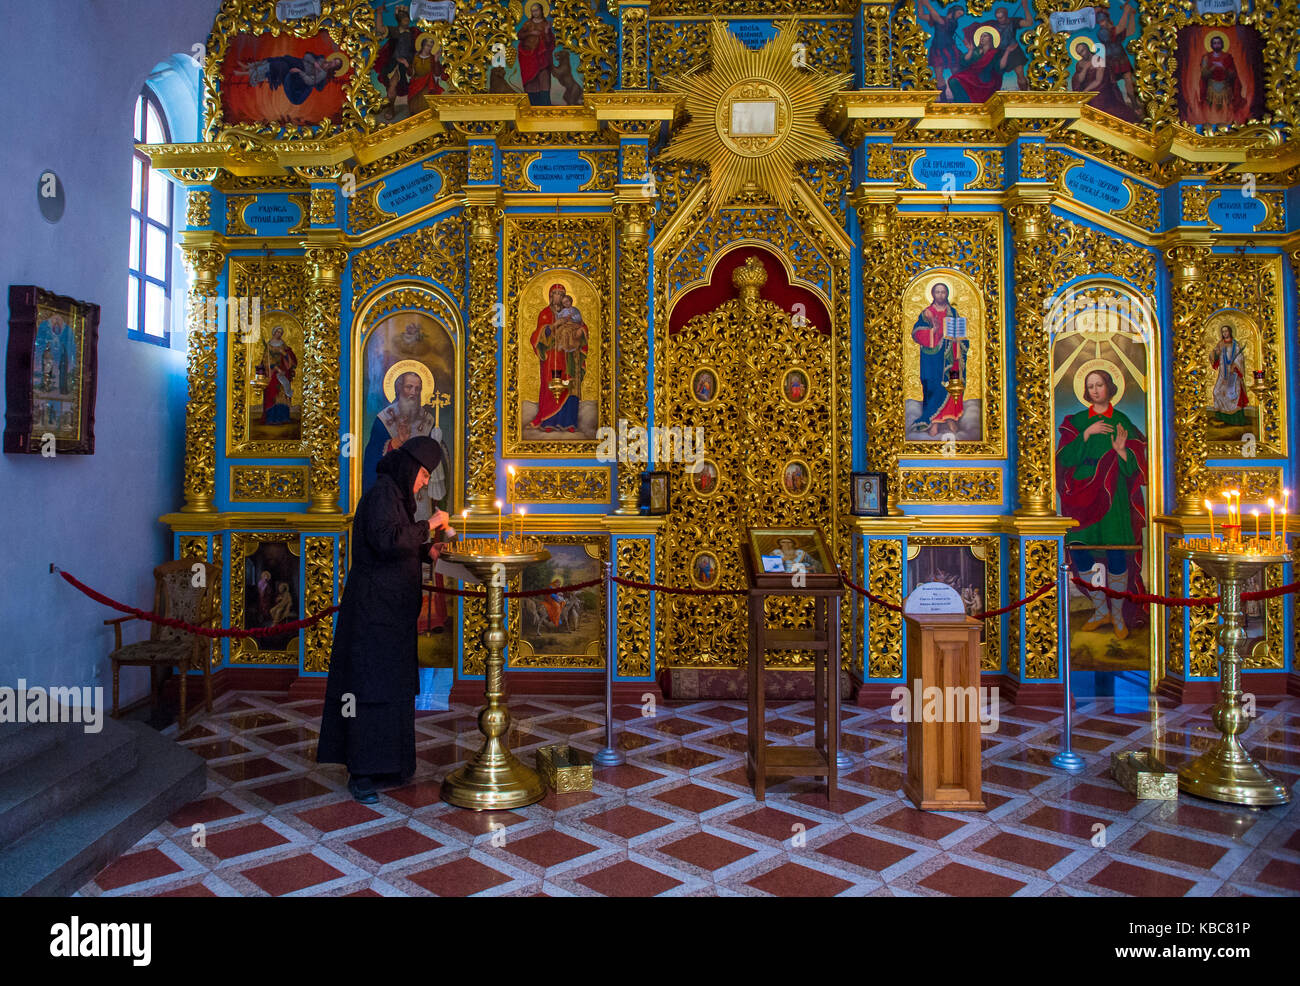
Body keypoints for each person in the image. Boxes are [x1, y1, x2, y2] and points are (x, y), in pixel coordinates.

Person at [317, 437, 453, 803]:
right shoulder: (382, 494)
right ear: (410, 468)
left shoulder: (395, 496)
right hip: (373, 613)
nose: (425, 482)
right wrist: (430, 525)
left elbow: (400, 544)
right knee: (369, 689)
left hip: (391, 613)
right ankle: (362, 772)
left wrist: (429, 550)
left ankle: (390, 764)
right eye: (424, 474)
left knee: (392, 688)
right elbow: (386, 541)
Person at [1056, 369, 1148, 640]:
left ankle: (1118, 615)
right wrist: (1086, 435)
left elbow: (1137, 464)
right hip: (1081, 494)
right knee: (1081, 549)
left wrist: (1122, 452)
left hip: (1114, 495)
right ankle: (1100, 610)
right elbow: (1064, 459)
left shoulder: (1122, 420)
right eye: (1090, 386)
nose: (1095, 390)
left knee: (1117, 552)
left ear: (1109, 387)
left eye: (1100, 385)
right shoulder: (1075, 421)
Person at [911, 282, 967, 435]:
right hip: (932, 358)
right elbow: (916, 333)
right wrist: (932, 331)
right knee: (934, 386)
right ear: (933, 294)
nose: (940, 295)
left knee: (950, 385)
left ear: (947, 294)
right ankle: (933, 422)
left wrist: (959, 341)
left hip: (950, 356)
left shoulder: (953, 313)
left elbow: (962, 336)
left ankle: (950, 418)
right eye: (938, 292)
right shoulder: (926, 313)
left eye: (943, 292)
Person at [1198, 32, 1245, 125]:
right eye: (1214, 43)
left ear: (1222, 44)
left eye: (1218, 43)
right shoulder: (1206, 58)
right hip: (1211, 88)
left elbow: (1233, 74)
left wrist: (1223, 68)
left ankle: (1227, 124)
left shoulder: (1227, 57)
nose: (1216, 45)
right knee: (1212, 108)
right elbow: (1204, 74)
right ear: (1211, 45)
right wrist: (1213, 68)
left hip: (1225, 87)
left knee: (1226, 109)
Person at [918, 0, 967, 87]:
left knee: (956, 72)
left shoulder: (953, 23)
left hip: (949, 49)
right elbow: (921, 16)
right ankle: (943, 97)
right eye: (959, 13)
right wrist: (920, 3)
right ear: (953, 11)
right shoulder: (940, 18)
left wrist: (927, 4)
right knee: (938, 76)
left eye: (961, 15)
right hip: (937, 48)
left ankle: (959, 91)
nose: (959, 16)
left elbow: (938, 19)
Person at [1209, 323, 1249, 427]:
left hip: (1232, 373)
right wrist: (1215, 353)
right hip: (1223, 373)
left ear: (1230, 332)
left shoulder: (1235, 344)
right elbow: (1215, 356)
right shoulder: (1220, 344)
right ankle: (1221, 418)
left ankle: (1235, 419)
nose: (1224, 333)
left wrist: (1235, 365)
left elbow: (1240, 357)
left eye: (1226, 331)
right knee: (1217, 391)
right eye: (1223, 331)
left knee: (1232, 395)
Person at [517, 3, 556, 106]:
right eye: (533, 11)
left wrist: (547, 31)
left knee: (544, 79)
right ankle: (533, 106)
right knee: (531, 82)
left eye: (536, 10)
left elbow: (550, 42)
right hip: (528, 57)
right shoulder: (528, 24)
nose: (534, 13)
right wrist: (531, 33)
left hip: (542, 57)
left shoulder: (545, 24)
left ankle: (545, 105)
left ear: (541, 10)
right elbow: (519, 35)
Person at [259, 325, 297, 426]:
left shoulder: (283, 345)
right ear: (274, 333)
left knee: (283, 394)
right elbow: (266, 361)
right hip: (272, 374)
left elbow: (291, 358)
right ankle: (271, 418)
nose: (279, 334)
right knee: (272, 393)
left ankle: (283, 417)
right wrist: (276, 369)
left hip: (283, 373)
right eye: (277, 332)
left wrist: (283, 353)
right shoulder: (269, 346)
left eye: (281, 333)